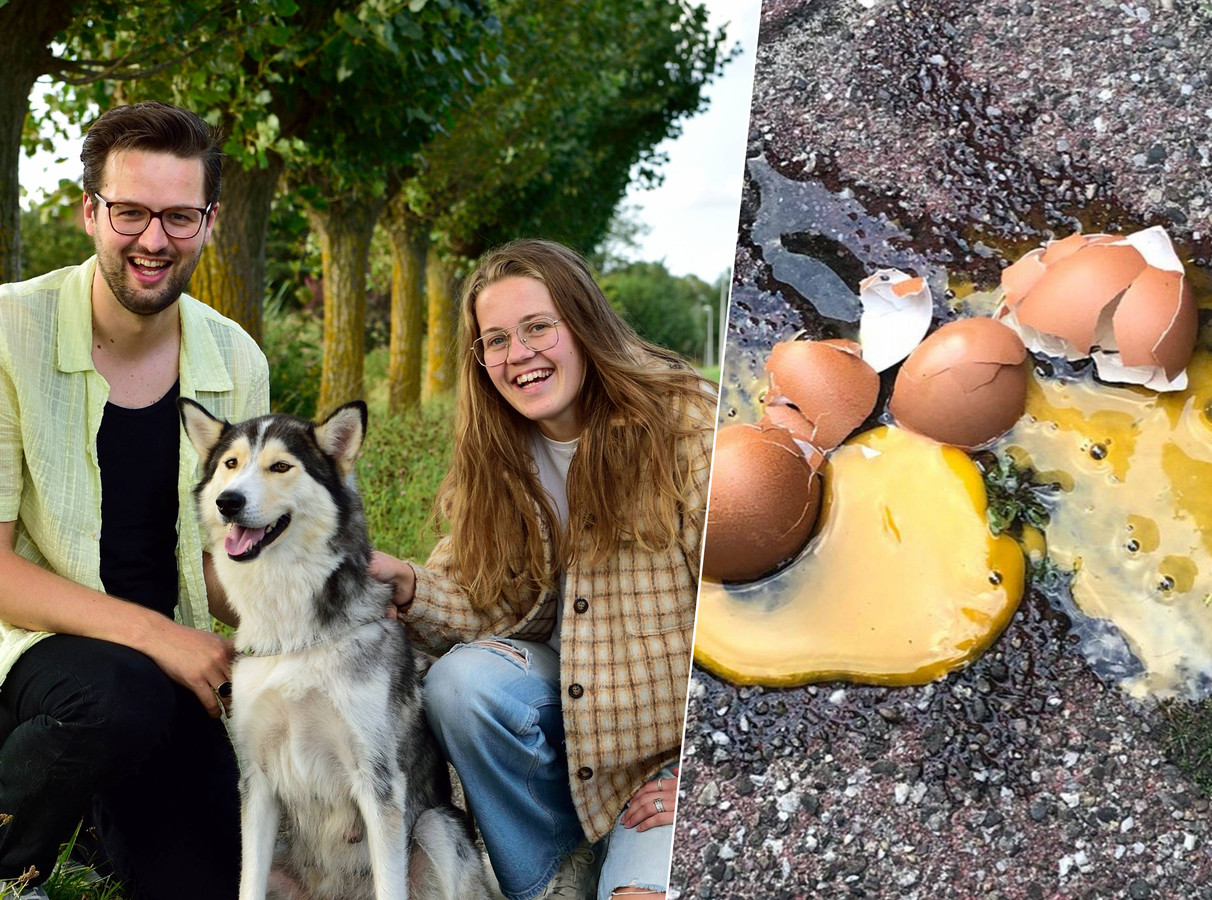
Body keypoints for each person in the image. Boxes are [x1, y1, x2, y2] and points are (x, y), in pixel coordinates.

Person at [370, 239, 715, 900]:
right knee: (464, 684)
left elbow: (741, 606)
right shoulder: (496, 456)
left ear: (584, 325)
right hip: (564, 719)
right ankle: (556, 877)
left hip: (658, 754)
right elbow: (482, 605)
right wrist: (410, 586)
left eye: (537, 328)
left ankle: (629, 858)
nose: (518, 354)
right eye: (496, 340)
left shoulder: (685, 428)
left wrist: (707, 769)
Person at [0, 101, 269, 899]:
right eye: (131, 212)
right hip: (34, 656)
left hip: (166, 675)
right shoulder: (9, 332)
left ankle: (91, 821)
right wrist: (159, 638)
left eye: (179, 217)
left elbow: (221, 567)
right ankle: (12, 866)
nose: (154, 240)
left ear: (209, 223)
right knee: (117, 696)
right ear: (90, 212)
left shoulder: (237, 361)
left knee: (214, 880)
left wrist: (326, 590)